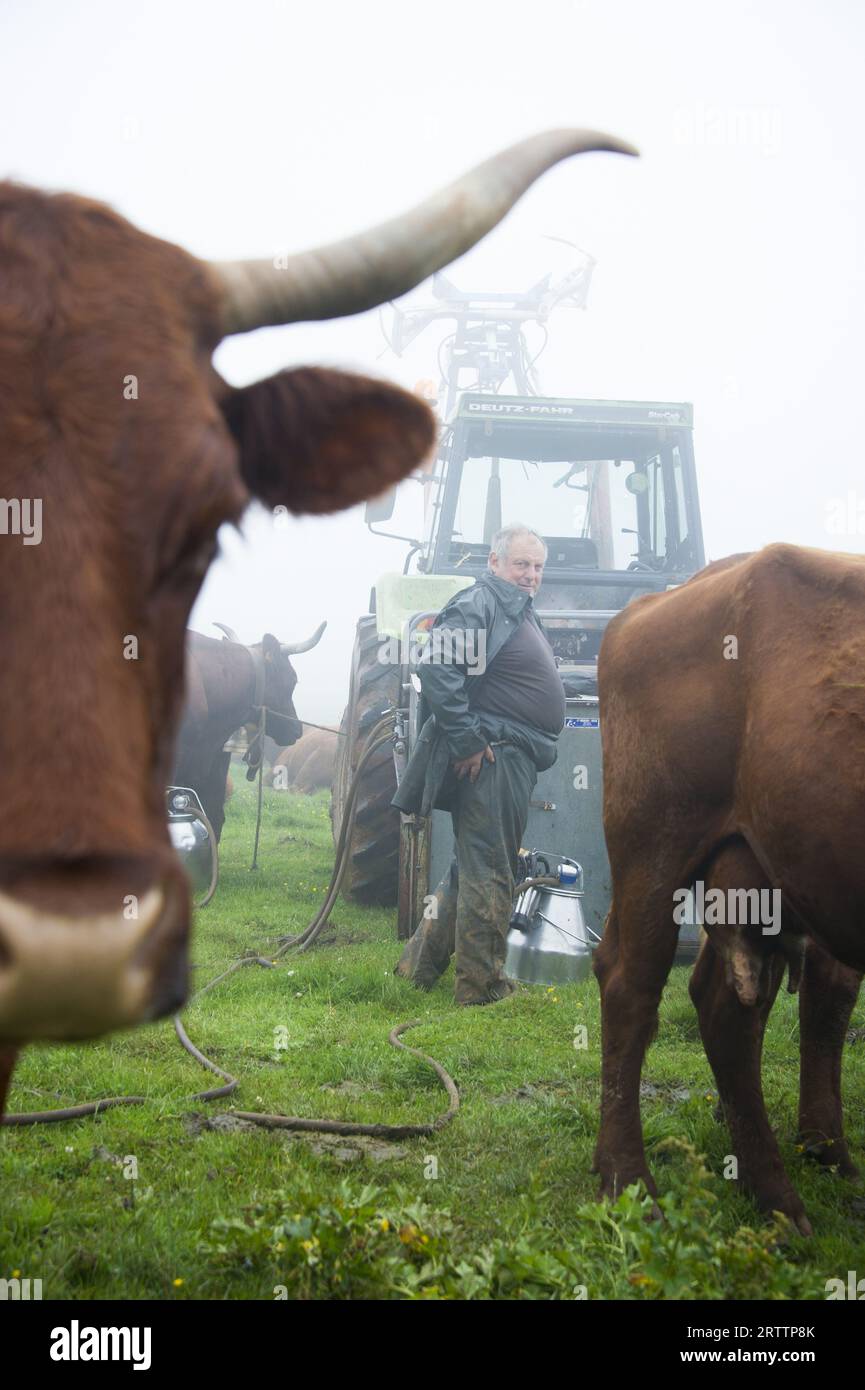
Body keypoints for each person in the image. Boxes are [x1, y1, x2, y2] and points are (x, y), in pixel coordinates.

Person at [392, 524, 566, 1004]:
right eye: (521, 564)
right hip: (495, 756)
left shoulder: (516, 609)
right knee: (491, 868)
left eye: (537, 567)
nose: (531, 575)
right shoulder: (480, 603)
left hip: (509, 754)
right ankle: (482, 988)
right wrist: (468, 741)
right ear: (494, 563)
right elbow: (437, 668)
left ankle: (416, 967)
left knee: (471, 867)